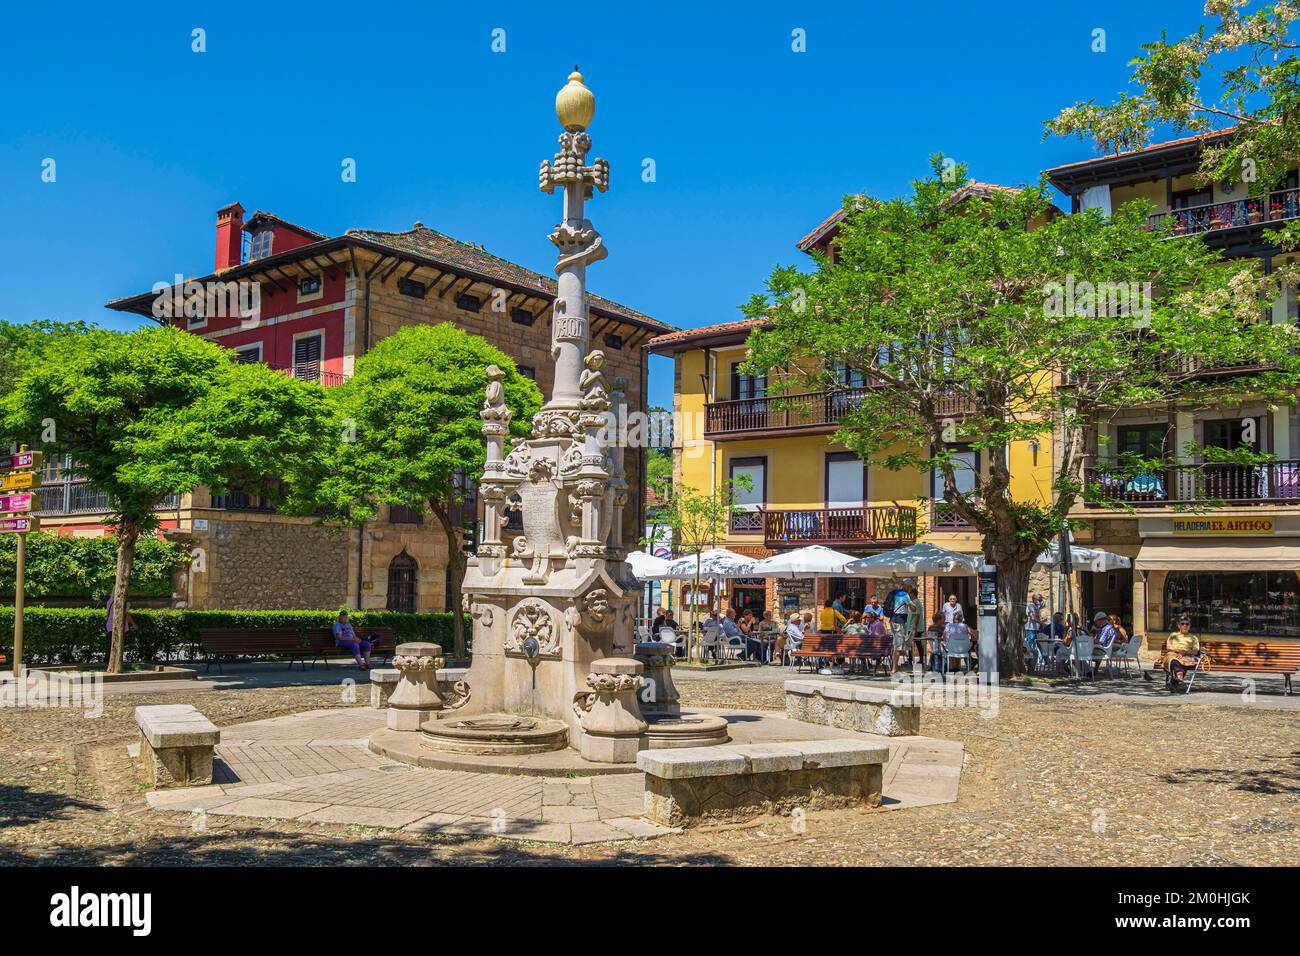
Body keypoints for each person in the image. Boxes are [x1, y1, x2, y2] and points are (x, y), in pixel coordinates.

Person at [1160, 617, 1205, 691]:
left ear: (1189, 626)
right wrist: (1179, 651)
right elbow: (1168, 647)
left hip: (1188, 656)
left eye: (1187, 624)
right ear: (1179, 626)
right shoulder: (1173, 635)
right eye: (1182, 624)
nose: (1185, 626)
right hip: (1173, 653)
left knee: (1181, 660)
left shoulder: (1193, 638)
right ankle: (1179, 677)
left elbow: (1195, 651)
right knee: (1173, 660)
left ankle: (1175, 681)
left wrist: (1185, 652)